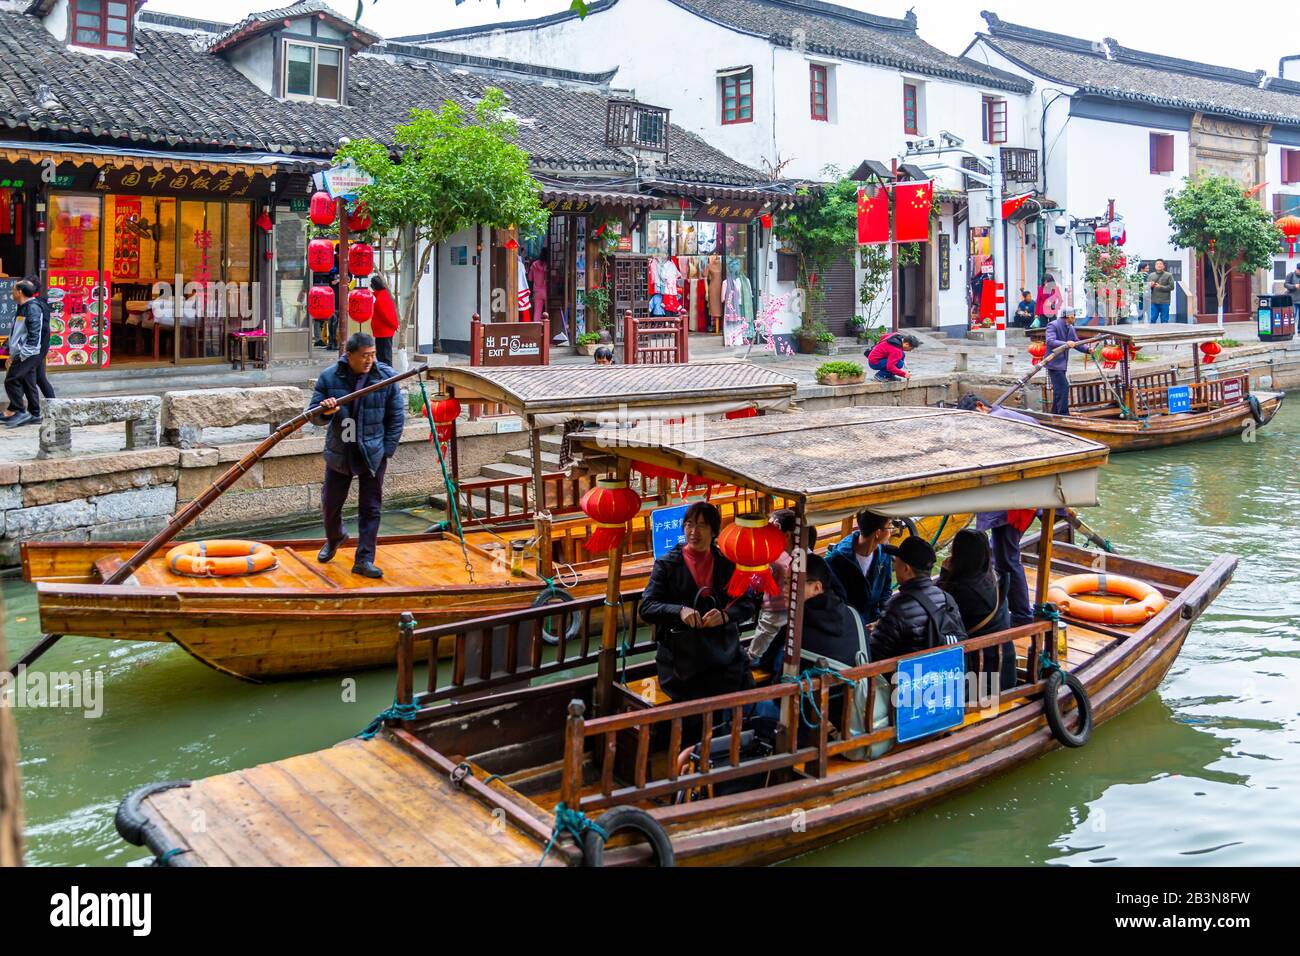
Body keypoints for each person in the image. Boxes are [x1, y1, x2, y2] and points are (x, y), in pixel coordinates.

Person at [640, 501, 760, 704]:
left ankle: (733, 732)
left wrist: (725, 615)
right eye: (689, 525)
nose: (693, 531)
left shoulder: (726, 562)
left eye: (701, 526)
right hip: (682, 660)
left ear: (714, 530)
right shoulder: (667, 564)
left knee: (742, 688)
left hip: (724, 653)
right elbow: (647, 607)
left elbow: (747, 602)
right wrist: (680, 611)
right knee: (698, 698)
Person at [308, 332, 405, 578]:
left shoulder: (385, 378)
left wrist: (386, 450)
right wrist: (326, 411)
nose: (369, 360)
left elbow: (396, 418)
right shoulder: (330, 377)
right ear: (349, 355)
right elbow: (313, 416)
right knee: (330, 504)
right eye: (364, 356)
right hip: (341, 449)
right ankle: (336, 536)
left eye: (372, 355)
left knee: (370, 508)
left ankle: (364, 559)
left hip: (372, 451)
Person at [957, 393, 1038, 629]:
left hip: (1014, 501)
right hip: (1022, 497)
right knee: (1002, 554)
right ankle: (1007, 607)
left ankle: (1022, 614)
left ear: (982, 407)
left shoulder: (998, 422)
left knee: (1008, 558)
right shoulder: (1011, 417)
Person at [937, 529, 1016, 692]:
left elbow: (938, 612)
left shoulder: (962, 591)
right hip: (1006, 671)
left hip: (980, 680)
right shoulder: (995, 578)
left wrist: (944, 574)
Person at [870, 536, 967, 661]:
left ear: (906, 568)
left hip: (908, 677)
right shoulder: (947, 598)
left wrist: (874, 632)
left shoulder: (896, 607)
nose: (894, 564)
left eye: (896, 561)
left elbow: (875, 653)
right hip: (941, 672)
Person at [747, 509, 816, 673]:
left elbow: (759, 583)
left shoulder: (776, 558)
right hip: (799, 616)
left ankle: (753, 658)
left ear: (785, 535)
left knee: (765, 635)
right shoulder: (808, 556)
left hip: (776, 609)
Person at [826, 509, 895, 622]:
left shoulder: (884, 554)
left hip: (874, 621)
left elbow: (886, 592)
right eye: (889, 525)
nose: (891, 530)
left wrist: (882, 622)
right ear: (877, 533)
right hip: (847, 625)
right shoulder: (838, 559)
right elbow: (834, 601)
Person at [798, 553, 861, 667]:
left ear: (817, 587)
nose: (784, 588)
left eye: (793, 582)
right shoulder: (854, 616)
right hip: (860, 682)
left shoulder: (797, 627)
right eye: (785, 582)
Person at [3, 279, 45, 428]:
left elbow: (34, 335)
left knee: (11, 380)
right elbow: (17, 331)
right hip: (23, 352)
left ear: (20, 292)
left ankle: (20, 411)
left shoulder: (32, 308)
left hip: (27, 353)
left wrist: (22, 355)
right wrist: (8, 348)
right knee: (29, 383)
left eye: (13, 289)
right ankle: (35, 414)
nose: (11, 292)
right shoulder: (23, 307)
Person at [1043, 308, 1090, 416]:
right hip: (1054, 363)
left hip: (1062, 364)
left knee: (1058, 389)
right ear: (1069, 316)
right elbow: (1050, 341)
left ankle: (1055, 413)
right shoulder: (1053, 325)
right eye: (1073, 316)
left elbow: (1076, 343)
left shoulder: (1071, 328)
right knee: (1064, 387)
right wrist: (1066, 343)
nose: (1074, 318)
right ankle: (1063, 413)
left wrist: (1087, 349)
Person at [369, 274, 399, 366]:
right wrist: (395, 325)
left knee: (383, 356)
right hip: (384, 330)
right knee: (383, 355)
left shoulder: (380, 297)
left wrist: (395, 325)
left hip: (383, 330)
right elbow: (389, 315)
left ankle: (388, 376)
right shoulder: (384, 296)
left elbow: (387, 315)